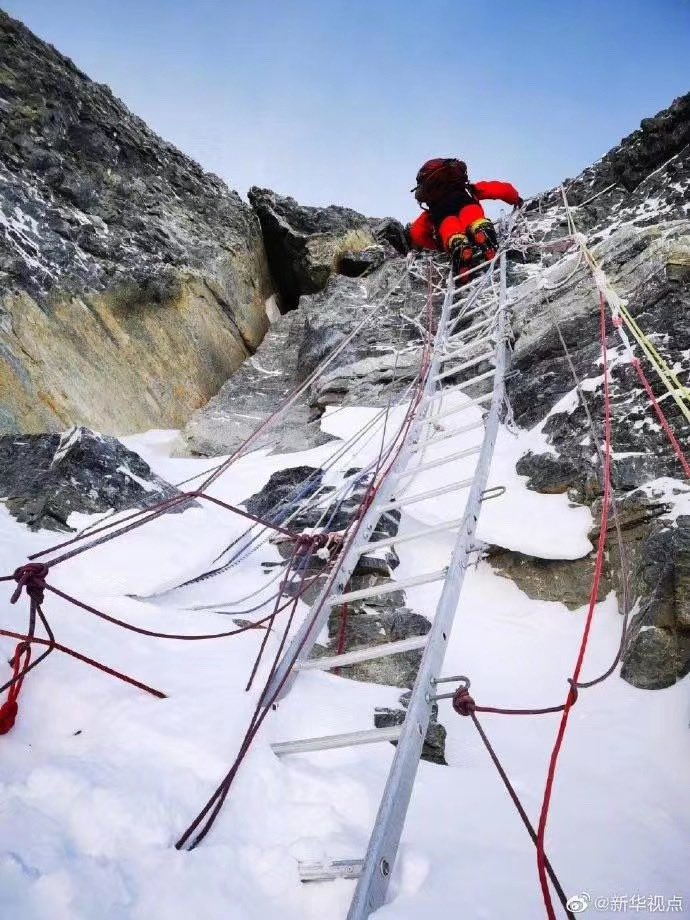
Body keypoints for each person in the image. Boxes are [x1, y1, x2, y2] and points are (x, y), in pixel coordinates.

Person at [408, 158, 523, 279]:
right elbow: (500, 189)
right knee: (472, 216)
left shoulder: (430, 213)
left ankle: (457, 243)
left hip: (442, 215)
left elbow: (417, 232)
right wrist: (516, 199)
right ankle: (480, 229)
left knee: (449, 227)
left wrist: (439, 246)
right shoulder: (469, 190)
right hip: (467, 203)